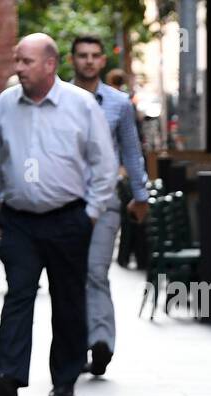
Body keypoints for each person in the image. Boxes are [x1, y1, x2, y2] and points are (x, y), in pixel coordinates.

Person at [0, 33, 117, 396]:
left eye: (26, 61)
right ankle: (8, 375)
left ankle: (64, 379)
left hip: (68, 218)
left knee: (68, 301)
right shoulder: (7, 104)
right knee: (19, 294)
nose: (18, 68)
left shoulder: (81, 105)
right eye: (17, 60)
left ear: (49, 65)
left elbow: (103, 165)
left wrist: (90, 215)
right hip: (20, 221)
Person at [69, 35, 150, 378]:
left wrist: (141, 194)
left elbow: (131, 152)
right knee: (69, 278)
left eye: (94, 56)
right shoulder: (59, 99)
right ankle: (75, 346)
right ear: (72, 60)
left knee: (95, 271)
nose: (88, 61)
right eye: (82, 55)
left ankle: (101, 342)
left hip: (104, 202)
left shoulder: (118, 104)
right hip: (64, 203)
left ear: (103, 61)